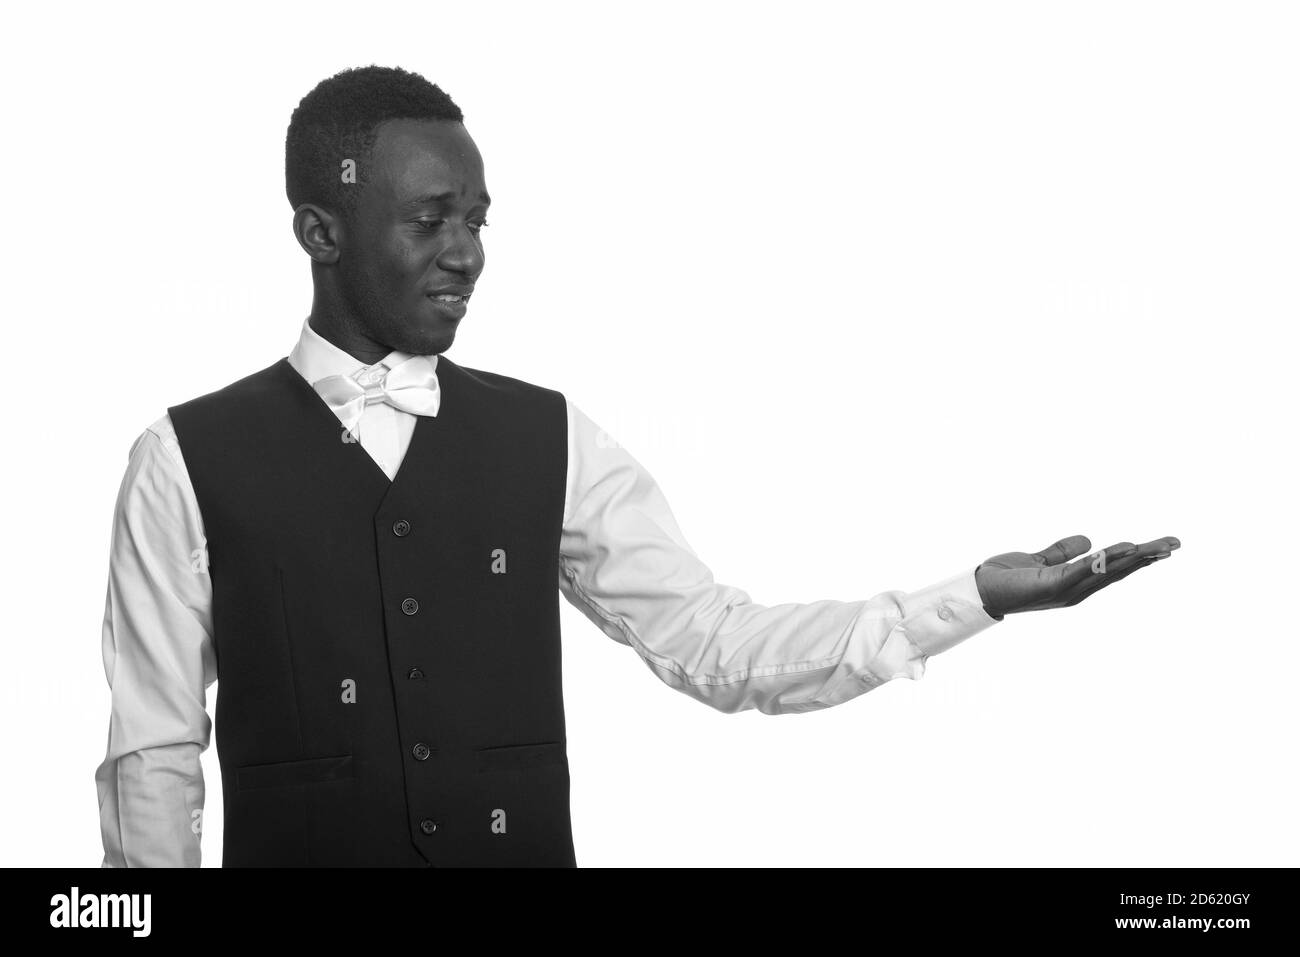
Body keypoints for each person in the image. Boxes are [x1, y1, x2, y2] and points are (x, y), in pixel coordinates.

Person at [94, 64, 1181, 868]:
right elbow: (154, 757)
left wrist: (968, 601)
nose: (467, 252)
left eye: (476, 220)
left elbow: (716, 646)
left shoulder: (552, 439)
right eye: (430, 220)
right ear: (319, 231)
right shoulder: (181, 461)